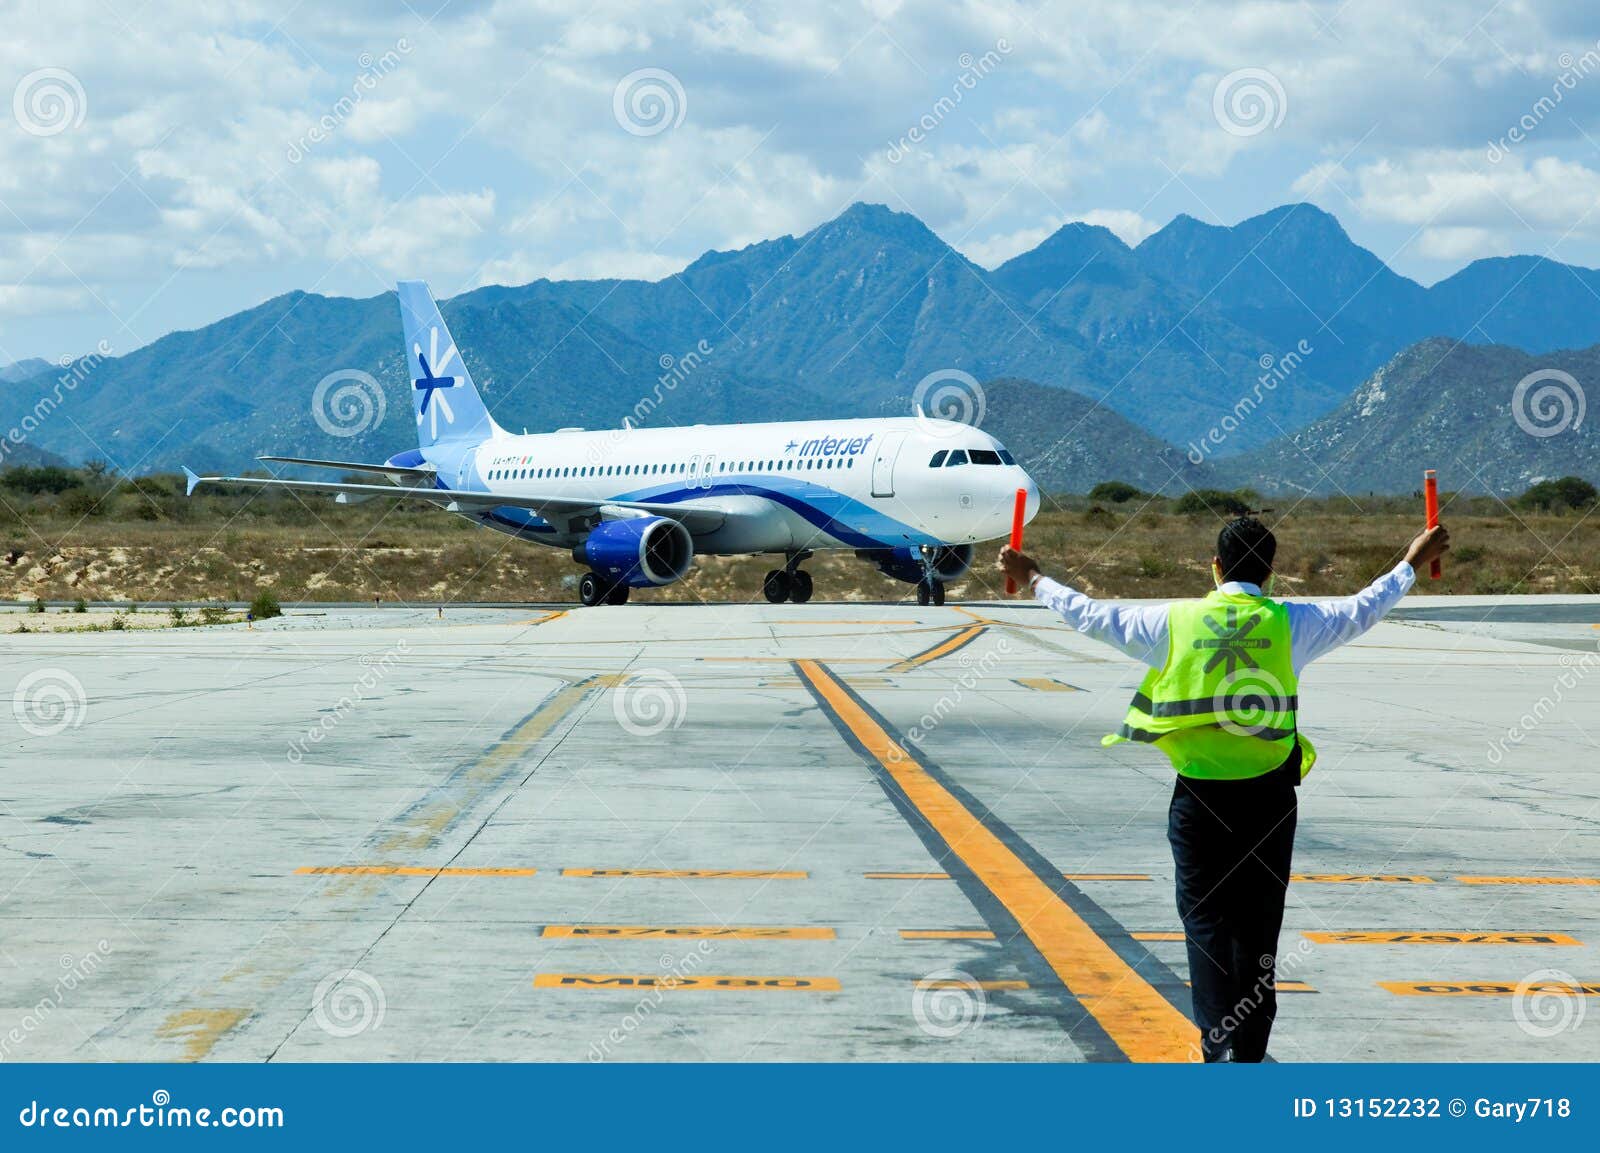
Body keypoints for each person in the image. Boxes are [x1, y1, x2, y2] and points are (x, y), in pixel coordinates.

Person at [997, 516, 1450, 1062]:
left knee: (1206, 925)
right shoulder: (1292, 623)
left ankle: (1217, 1047)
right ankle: (1252, 1052)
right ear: (1272, 573)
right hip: (1269, 801)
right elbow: (1364, 607)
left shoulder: (1175, 621)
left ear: (1215, 568)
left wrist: (1035, 578)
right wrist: (1411, 562)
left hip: (1200, 801)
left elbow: (1093, 616)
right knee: (1260, 929)